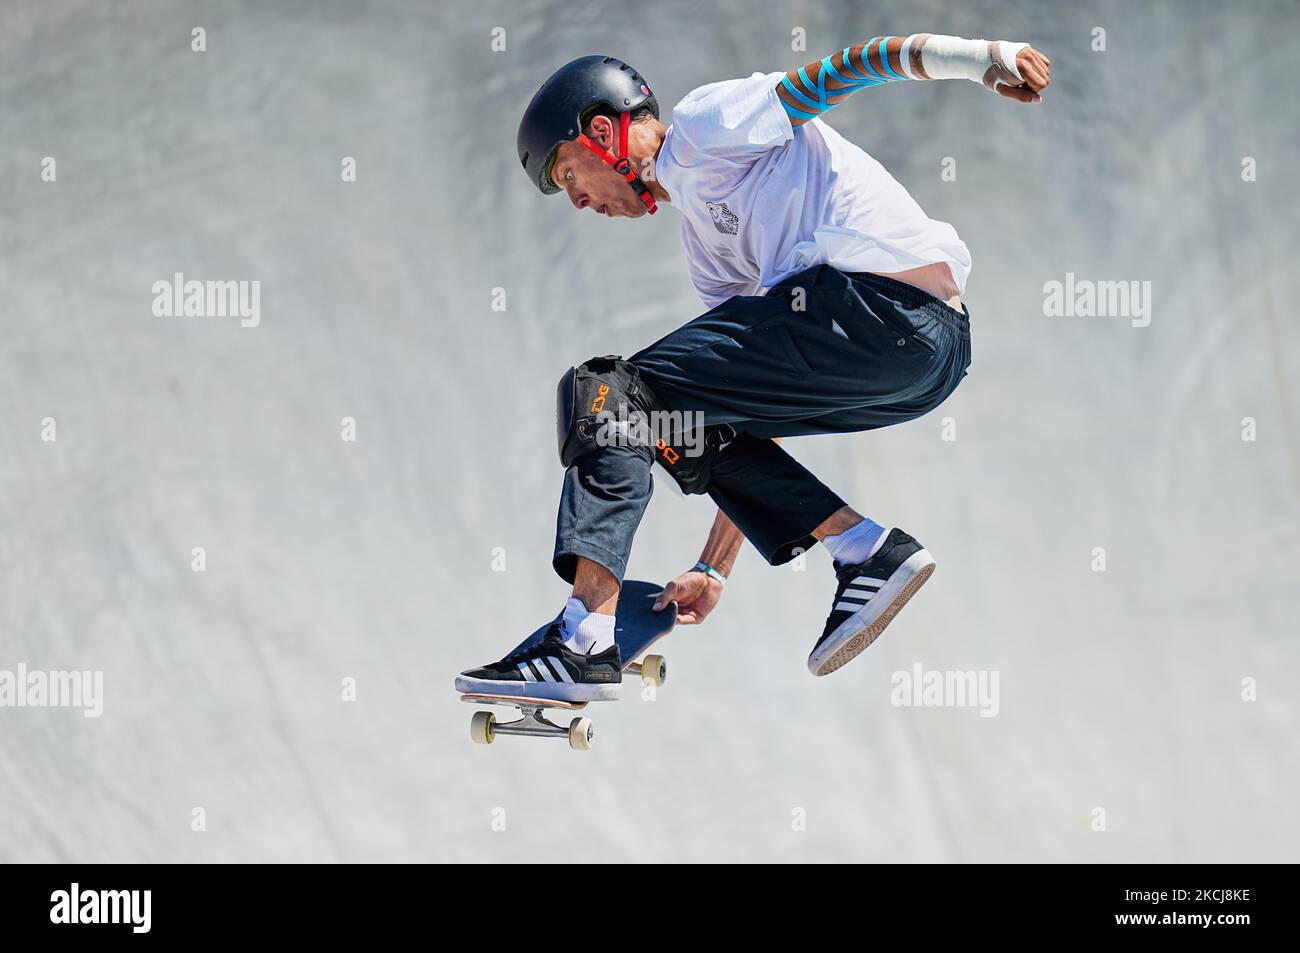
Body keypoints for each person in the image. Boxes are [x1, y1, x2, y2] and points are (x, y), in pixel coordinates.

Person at [456, 35, 1051, 700]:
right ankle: (864, 550)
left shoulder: (708, 128)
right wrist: (715, 565)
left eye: (567, 175)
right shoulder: (708, 253)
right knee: (673, 419)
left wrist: (976, 57)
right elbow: (735, 408)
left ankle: (582, 637)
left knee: (605, 393)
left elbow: (839, 73)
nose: (576, 201)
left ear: (603, 132)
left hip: (881, 309)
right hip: (919, 358)